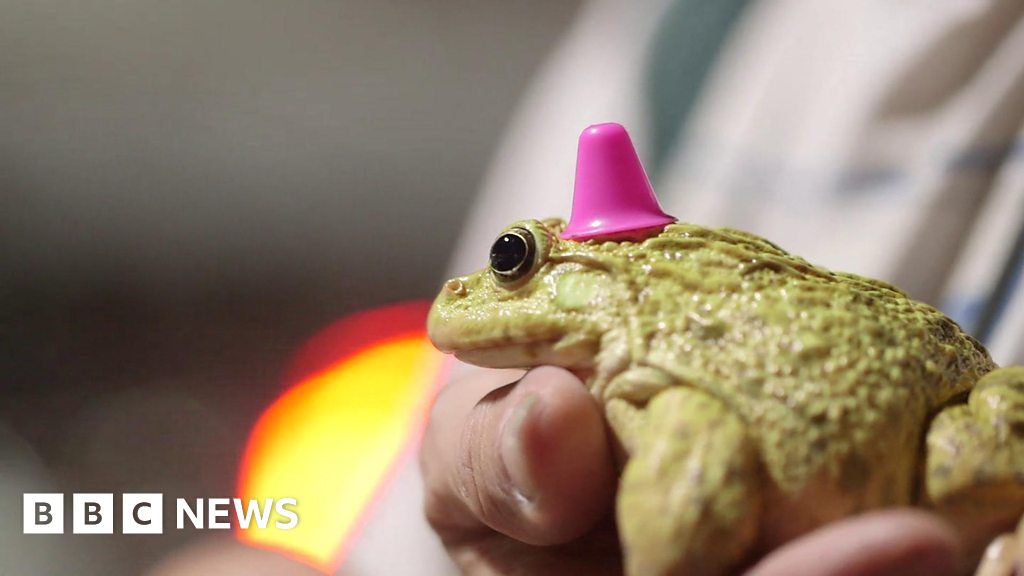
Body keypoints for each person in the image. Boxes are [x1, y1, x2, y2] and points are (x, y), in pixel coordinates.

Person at [354, 1, 1024, 574]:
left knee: (965, 461)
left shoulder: (656, 380)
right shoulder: (680, 33)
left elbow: (694, 489)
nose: (464, 290)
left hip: (948, 435)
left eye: (512, 260)